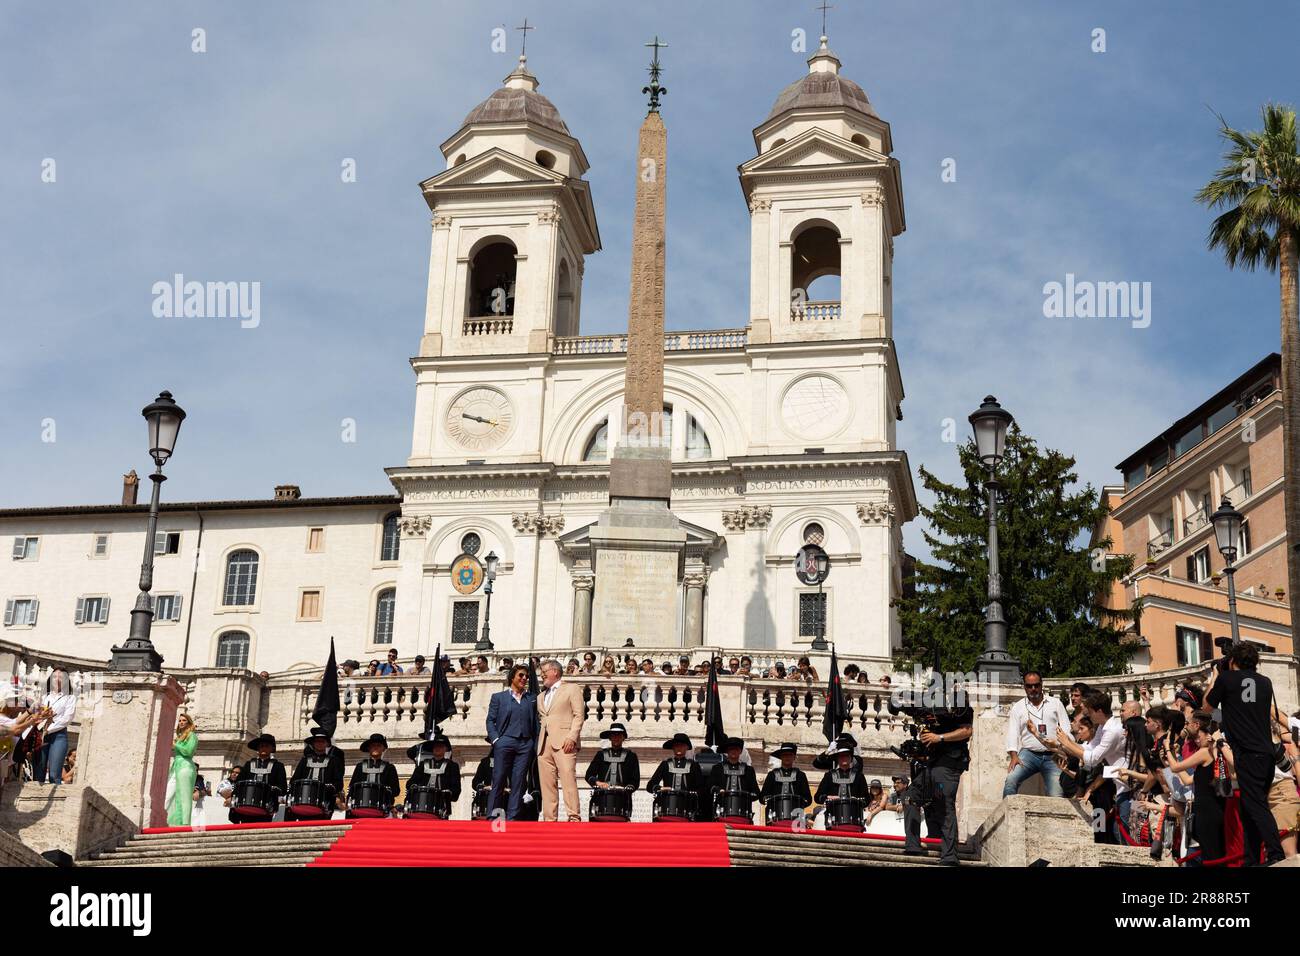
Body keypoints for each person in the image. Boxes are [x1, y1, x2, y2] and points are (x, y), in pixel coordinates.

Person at [1206, 642, 1286, 865]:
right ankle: (1252, 860)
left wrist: (1215, 677)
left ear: (1233, 661)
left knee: (1256, 806)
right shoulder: (1265, 682)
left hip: (1248, 755)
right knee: (1249, 808)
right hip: (1266, 754)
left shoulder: (1226, 679)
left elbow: (1206, 707)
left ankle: (1276, 854)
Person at [902, 704, 973, 866]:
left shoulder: (959, 703)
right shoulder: (932, 708)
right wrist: (925, 737)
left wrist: (938, 738)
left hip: (948, 765)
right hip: (931, 764)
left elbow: (967, 730)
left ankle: (949, 856)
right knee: (909, 797)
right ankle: (912, 845)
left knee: (944, 804)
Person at [1056, 690, 1126, 842]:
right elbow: (1086, 752)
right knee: (1103, 833)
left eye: (1082, 729)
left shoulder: (1112, 731)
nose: (1079, 732)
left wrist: (1067, 743)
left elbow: (1093, 761)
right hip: (1101, 793)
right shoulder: (1103, 728)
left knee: (1110, 834)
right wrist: (1060, 746)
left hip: (1105, 794)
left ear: (1099, 711)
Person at [1004, 670, 1072, 798]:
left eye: (1036, 685)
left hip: (1053, 755)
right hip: (1029, 754)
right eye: (1029, 686)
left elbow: (1067, 730)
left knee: (1057, 794)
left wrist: (1065, 751)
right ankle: (1008, 817)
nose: (1033, 689)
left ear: (1042, 684)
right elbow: (1013, 732)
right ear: (1024, 687)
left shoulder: (1055, 703)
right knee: (1010, 780)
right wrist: (1013, 755)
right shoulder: (1018, 707)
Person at [486, 664, 537, 821]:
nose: (524, 679)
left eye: (526, 677)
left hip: (525, 745)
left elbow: (536, 722)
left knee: (519, 781)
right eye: (521, 675)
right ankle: (493, 816)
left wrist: (533, 744)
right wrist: (496, 740)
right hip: (504, 742)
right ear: (512, 677)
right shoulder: (498, 697)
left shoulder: (531, 698)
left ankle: (512, 817)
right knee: (499, 778)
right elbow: (490, 720)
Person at [537, 658, 585, 822]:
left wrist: (572, 736)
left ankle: (573, 816)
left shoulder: (571, 689)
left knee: (568, 779)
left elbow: (579, 715)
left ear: (555, 671)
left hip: (565, 741)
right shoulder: (541, 696)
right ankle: (550, 818)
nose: (542, 675)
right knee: (547, 784)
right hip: (544, 744)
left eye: (544, 671)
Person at [289, 727, 345, 819]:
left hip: (325, 802)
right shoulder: (305, 760)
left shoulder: (334, 761)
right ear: (313, 744)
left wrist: (331, 787)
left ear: (327, 743)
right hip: (303, 801)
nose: (319, 743)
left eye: (322, 741)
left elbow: (339, 782)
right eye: (317, 741)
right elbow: (294, 780)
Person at [647, 733, 706, 819]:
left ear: (686, 747)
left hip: (687, 809)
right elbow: (650, 786)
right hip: (666, 809)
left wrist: (691, 793)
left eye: (682, 745)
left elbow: (701, 788)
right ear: (673, 748)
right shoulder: (665, 764)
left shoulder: (694, 765)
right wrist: (660, 788)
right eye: (676, 745)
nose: (679, 748)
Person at [32, 669, 75, 786]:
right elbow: (35, 714)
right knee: (38, 772)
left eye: (61, 677)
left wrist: (48, 729)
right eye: (55, 676)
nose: (57, 679)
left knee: (54, 774)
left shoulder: (70, 698)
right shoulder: (44, 696)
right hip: (41, 735)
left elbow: (67, 719)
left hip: (58, 736)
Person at [232, 733, 288, 822]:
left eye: (267, 746)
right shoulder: (248, 764)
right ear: (257, 748)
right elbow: (238, 784)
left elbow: (283, 787)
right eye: (261, 746)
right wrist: (232, 797)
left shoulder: (278, 766)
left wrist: (272, 790)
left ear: (272, 749)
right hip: (246, 805)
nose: (263, 748)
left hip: (267, 807)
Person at [405, 733, 462, 816]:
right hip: (421, 806)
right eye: (435, 746)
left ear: (445, 749)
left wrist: (448, 793)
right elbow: (410, 783)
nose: (437, 748)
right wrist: (415, 787)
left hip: (442, 808)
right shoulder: (423, 764)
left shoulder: (452, 766)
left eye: (440, 746)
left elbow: (456, 789)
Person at [348, 733, 399, 817]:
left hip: (383, 809)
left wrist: (385, 792)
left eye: (379, 745)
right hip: (360, 808)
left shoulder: (390, 768)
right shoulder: (360, 766)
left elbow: (396, 791)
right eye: (373, 745)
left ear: (383, 749)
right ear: (369, 748)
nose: (375, 747)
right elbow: (352, 788)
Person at [759, 742, 812, 821]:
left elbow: (808, 799)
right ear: (781, 757)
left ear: (794, 757)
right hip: (775, 817)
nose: (787, 757)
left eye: (790, 755)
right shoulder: (772, 775)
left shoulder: (800, 775)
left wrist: (797, 802)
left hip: (796, 818)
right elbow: (762, 797)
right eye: (784, 755)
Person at [585, 722, 640, 793]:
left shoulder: (631, 756)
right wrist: (598, 783)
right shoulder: (601, 755)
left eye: (619, 735)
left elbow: (635, 780)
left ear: (623, 737)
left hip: (623, 797)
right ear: (610, 738)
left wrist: (628, 787)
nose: (616, 738)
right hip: (602, 795)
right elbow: (589, 775)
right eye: (613, 735)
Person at [708, 738, 758, 816]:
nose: (733, 751)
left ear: (740, 751)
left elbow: (756, 793)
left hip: (743, 812)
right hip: (721, 809)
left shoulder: (748, 770)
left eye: (736, 749)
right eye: (731, 749)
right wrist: (718, 790)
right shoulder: (717, 768)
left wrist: (746, 795)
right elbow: (709, 786)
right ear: (727, 751)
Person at [166, 714, 199, 826]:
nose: (181, 722)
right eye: (179, 720)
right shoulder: (180, 737)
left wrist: (176, 746)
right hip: (176, 767)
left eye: (184, 720)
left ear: (189, 722)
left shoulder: (192, 735)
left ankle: (185, 824)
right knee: (168, 794)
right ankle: (167, 820)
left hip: (186, 767)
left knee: (185, 797)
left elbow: (189, 751)